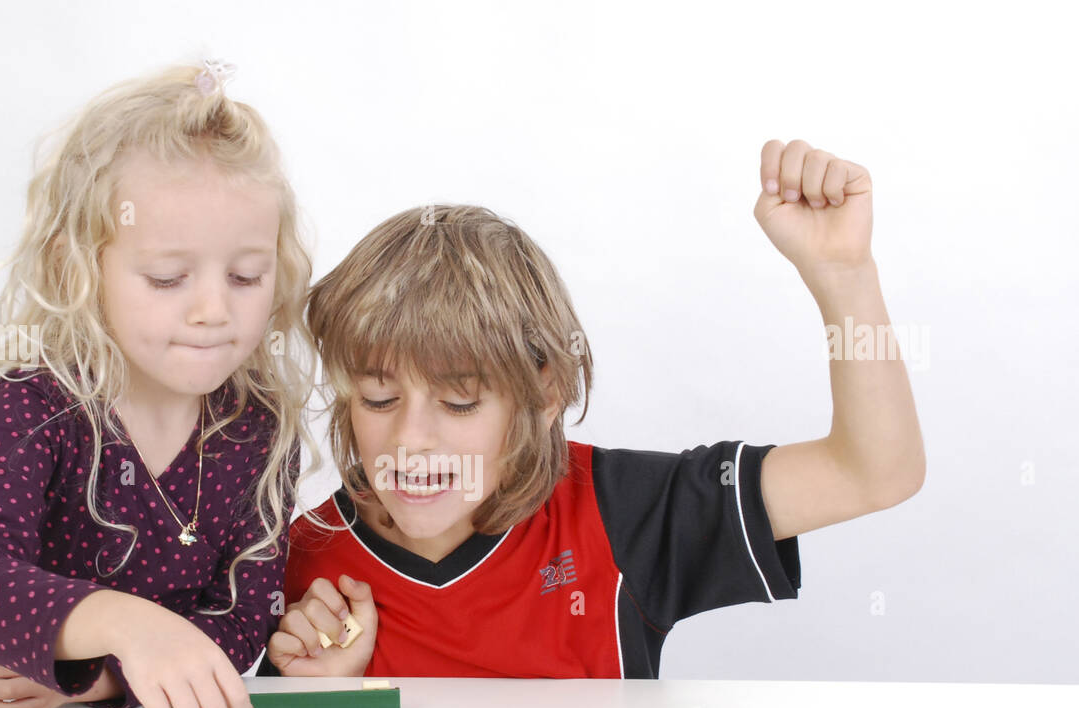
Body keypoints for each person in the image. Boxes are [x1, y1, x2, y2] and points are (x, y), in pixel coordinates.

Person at [263, 141, 925, 678]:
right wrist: (317, 697)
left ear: (544, 395)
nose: (410, 439)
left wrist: (845, 276)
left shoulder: (623, 513)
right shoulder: (298, 561)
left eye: (459, 401)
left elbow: (875, 472)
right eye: (379, 397)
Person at [0, 61, 319, 708]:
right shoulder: (40, 402)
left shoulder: (259, 429)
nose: (213, 309)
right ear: (76, 269)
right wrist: (122, 620)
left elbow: (234, 626)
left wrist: (93, 678)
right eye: (168, 277)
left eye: (245, 275)